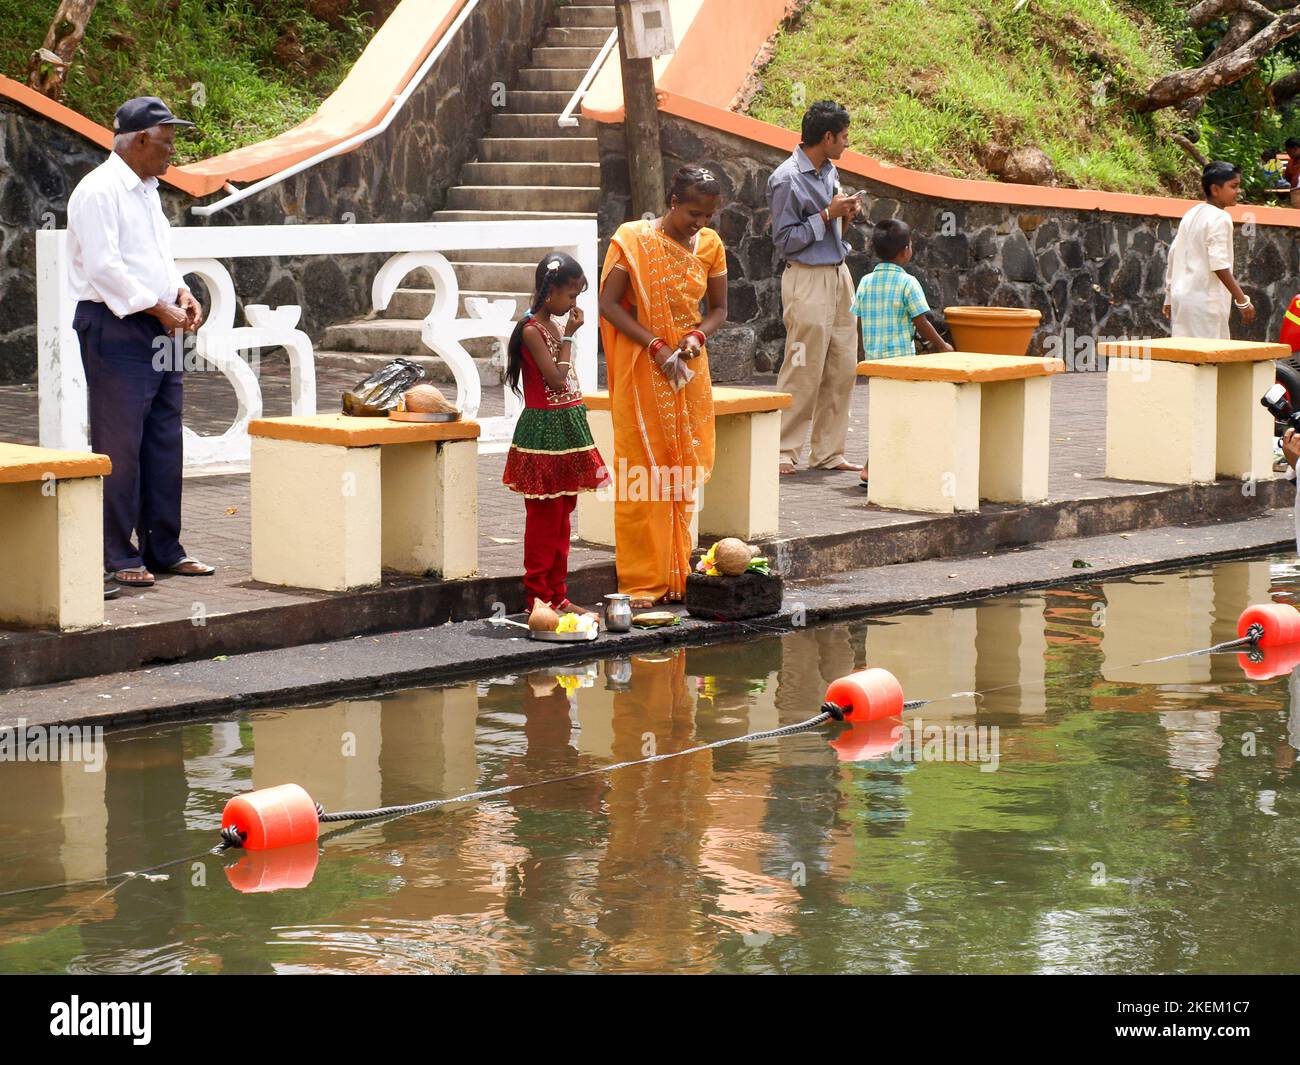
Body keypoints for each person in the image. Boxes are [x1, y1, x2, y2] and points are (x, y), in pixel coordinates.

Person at [66, 96, 213, 592]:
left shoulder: (148, 190)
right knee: (119, 444)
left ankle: (164, 548)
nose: (172, 153)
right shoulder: (98, 190)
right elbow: (104, 267)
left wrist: (181, 291)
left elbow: (157, 256)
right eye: (167, 143)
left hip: (162, 322)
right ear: (141, 140)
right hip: (116, 324)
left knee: (165, 436)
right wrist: (156, 305)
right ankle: (116, 554)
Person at [598, 166, 728, 608]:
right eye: (693, 213)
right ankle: (640, 581)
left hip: (688, 370)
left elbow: (719, 309)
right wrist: (653, 344)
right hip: (644, 366)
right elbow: (609, 304)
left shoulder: (710, 246)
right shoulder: (634, 239)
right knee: (642, 472)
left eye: (707, 216)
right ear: (672, 201)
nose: (700, 224)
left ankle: (676, 574)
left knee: (680, 468)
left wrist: (698, 336)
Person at [502, 253, 610, 615]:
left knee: (564, 513)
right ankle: (537, 597)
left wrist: (567, 335)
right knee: (544, 519)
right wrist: (572, 337)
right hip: (544, 431)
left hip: (567, 426)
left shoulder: (554, 326)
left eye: (578, 297)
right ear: (549, 292)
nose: (573, 304)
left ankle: (558, 594)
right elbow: (556, 379)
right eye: (570, 296)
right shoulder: (533, 330)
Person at [768, 99, 863, 478]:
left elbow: (833, 228)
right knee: (802, 363)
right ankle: (781, 450)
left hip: (839, 274)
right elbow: (785, 240)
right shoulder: (786, 179)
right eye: (843, 137)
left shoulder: (830, 172)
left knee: (843, 365)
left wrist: (845, 216)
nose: (846, 143)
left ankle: (828, 452)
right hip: (806, 276)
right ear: (827, 137)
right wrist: (827, 215)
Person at [1162, 161, 1256, 339]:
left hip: (1182, 299)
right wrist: (1242, 300)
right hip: (1205, 302)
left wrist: (1168, 295)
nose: (1238, 192)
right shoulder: (1221, 218)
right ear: (1215, 189)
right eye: (1233, 186)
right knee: (1209, 360)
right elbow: (1219, 264)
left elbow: (1173, 254)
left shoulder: (1191, 213)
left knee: (1188, 358)